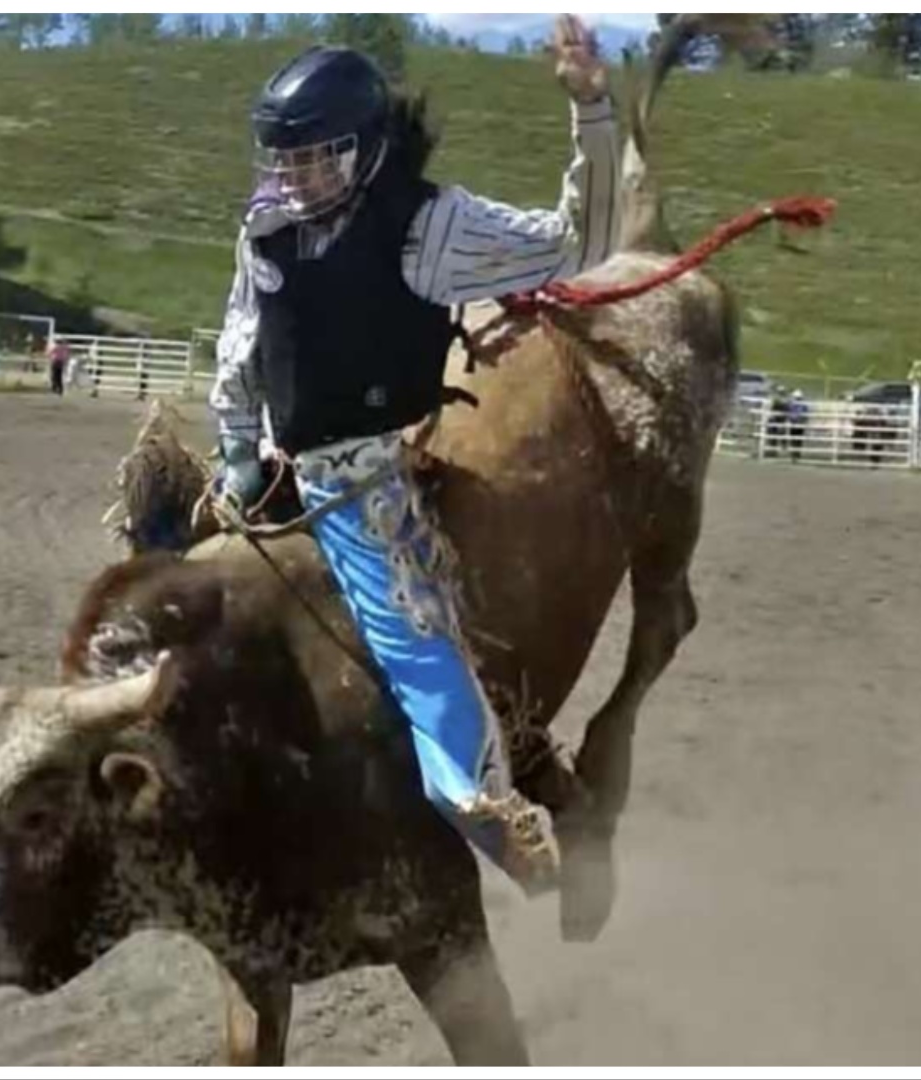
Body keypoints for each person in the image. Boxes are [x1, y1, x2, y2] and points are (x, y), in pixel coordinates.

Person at [205, 17, 618, 892]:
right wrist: (236, 444)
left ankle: (479, 800)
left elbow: (578, 245)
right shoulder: (268, 224)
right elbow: (244, 337)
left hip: (364, 485)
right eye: (284, 159)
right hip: (272, 465)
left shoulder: (428, 229)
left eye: (314, 158)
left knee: (415, 644)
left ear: (364, 153)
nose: (293, 176)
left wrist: (592, 114)